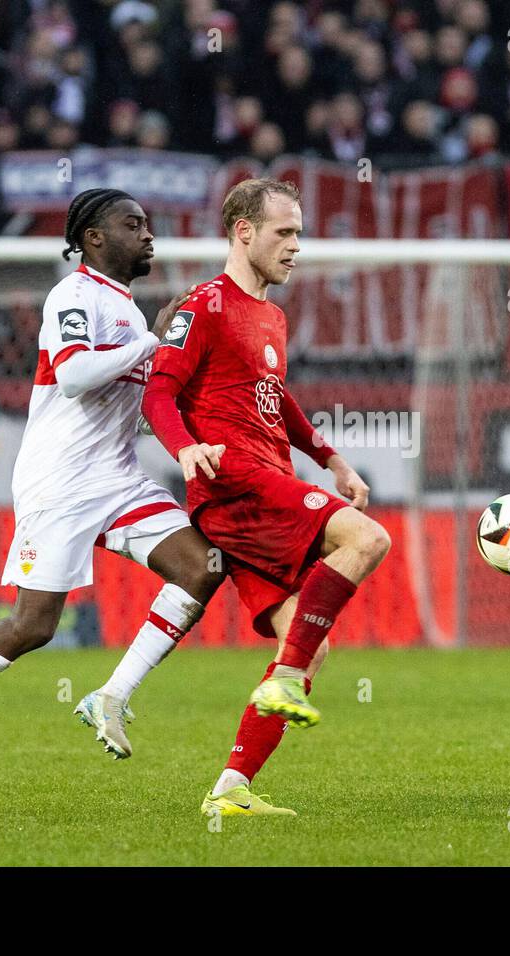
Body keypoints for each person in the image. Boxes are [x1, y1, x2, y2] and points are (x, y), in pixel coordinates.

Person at [0, 188, 227, 797]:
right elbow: (71, 375)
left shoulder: (132, 313)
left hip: (117, 479)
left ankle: (111, 696)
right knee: (33, 625)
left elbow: (132, 397)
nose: (148, 235)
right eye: (132, 224)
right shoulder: (74, 294)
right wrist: (152, 344)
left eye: (147, 225)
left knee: (203, 567)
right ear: (94, 237)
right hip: (59, 483)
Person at [142, 178, 390, 816]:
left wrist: (330, 457)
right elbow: (158, 395)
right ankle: (283, 682)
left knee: (310, 642)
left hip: (268, 476)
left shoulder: (271, 315)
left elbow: (276, 400)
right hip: (236, 482)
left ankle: (230, 790)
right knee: (369, 538)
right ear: (243, 232)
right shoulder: (204, 305)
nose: (296, 246)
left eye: (299, 233)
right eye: (284, 232)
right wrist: (185, 449)